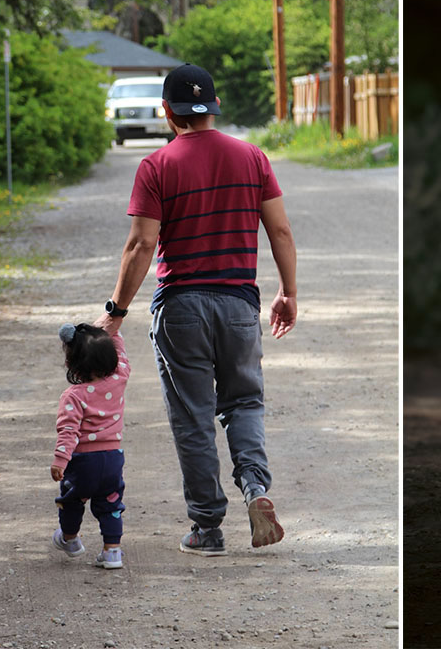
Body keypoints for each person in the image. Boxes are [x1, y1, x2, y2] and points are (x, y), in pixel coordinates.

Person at [95, 63, 298, 557]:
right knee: (244, 403)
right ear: (214, 105)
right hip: (238, 303)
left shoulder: (157, 166)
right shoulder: (252, 157)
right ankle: (255, 487)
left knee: (193, 417)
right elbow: (281, 231)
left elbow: (141, 244)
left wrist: (116, 311)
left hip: (181, 305)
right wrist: (287, 292)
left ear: (168, 112)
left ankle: (208, 528)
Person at [51, 322, 131, 570]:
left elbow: (68, 431)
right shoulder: (120, 377)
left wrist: (60, 461)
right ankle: (112, 552)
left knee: (72, 500)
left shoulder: (74, 395)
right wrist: (112, 327)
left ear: (72, 364)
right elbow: (121, 351)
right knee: (110, 504)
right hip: (113, 458)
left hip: (84, 462)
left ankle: (70, 539)